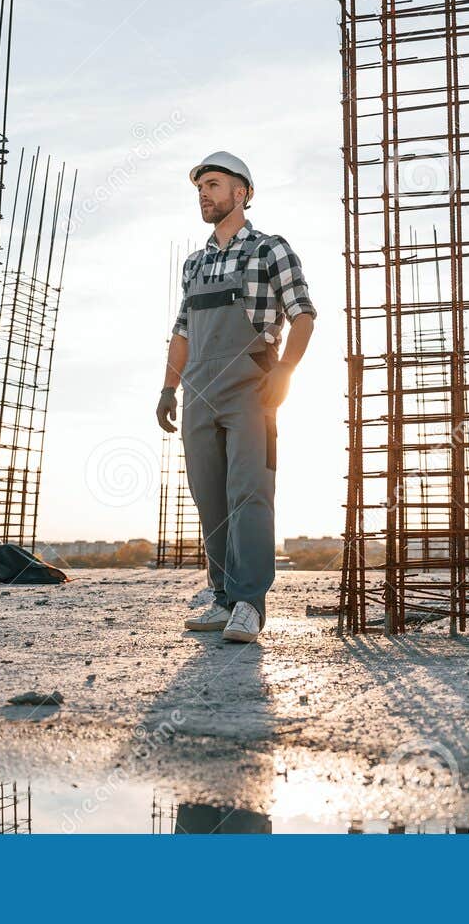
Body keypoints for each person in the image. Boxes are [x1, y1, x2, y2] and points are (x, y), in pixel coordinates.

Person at [155, 152, 315, 644]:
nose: (204, 193)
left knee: (249, 492)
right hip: (200, 390)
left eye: (214, 184)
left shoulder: (270, 250)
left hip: (251, 386)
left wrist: (286, 370)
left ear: (241, 192)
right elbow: (182, 331)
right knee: (209, 497)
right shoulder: (195, 263)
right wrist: (167, 387)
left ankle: (250, 603)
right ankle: (222, 598)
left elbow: (304, 314)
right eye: (200, 186)